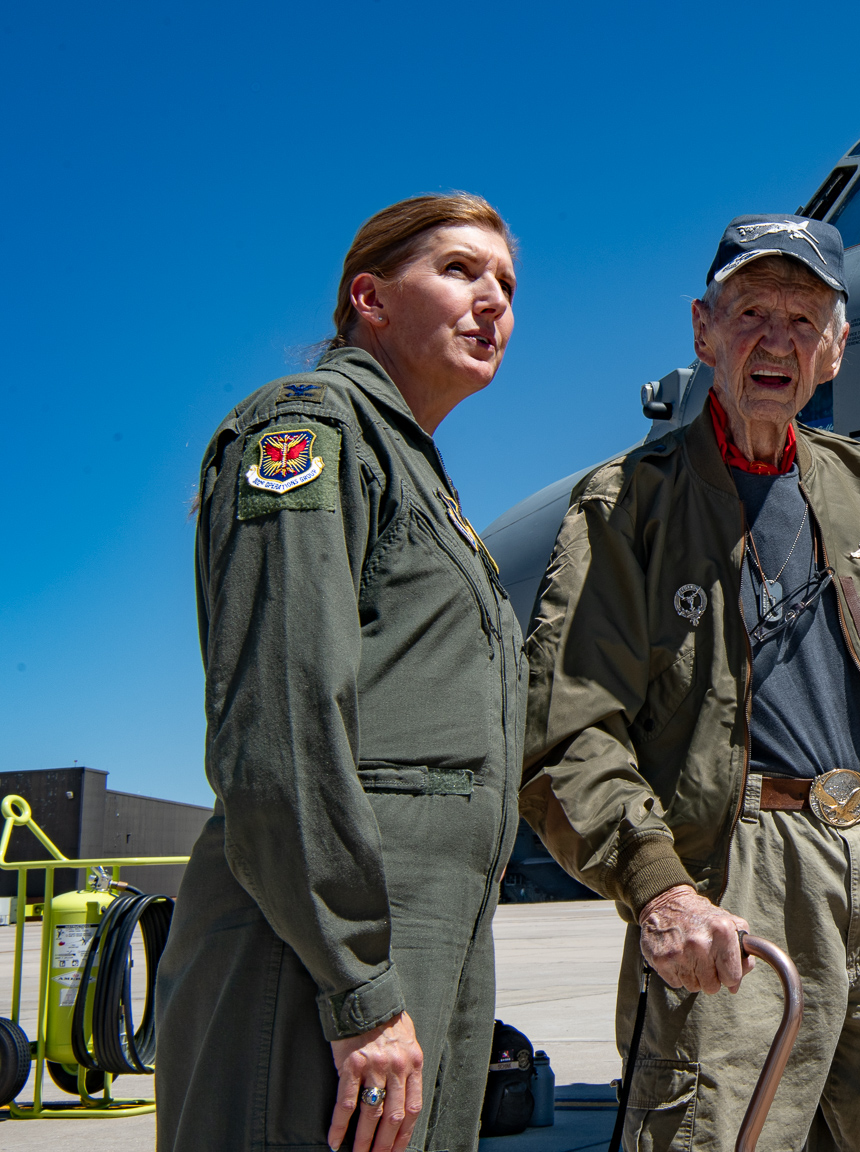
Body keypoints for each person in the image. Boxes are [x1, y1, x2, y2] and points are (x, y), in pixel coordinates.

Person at [521, 215, 860, 1151]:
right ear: (703, 330)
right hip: (740, 874)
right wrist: (660, 889)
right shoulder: (628, 503)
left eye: (804, 319)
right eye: (751, 312)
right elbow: (568, 730)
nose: (777, 341)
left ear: (837, 348)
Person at [156, 193, 527, 1152]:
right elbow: (281, 722)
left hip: (412, 949)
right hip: (316, 963)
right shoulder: (310, 431)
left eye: (506, 285)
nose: (491, 299)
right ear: (368, 296)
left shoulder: (420, 477)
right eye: (458, 270)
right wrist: (358, 987)